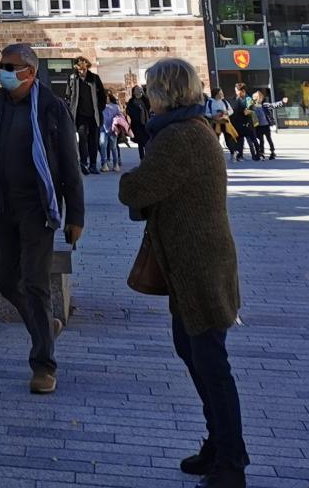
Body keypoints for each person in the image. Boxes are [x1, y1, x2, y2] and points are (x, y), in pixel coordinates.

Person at [119, 57, 248, 487]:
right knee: (195, 353)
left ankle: (230, 462)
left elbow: (136, 190)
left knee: (210, 363)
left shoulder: (178, 137)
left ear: (163, 92)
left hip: (199, 267)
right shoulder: (188, 130)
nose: (145, 95)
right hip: (193, 264)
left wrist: (132, 180)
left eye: (150, 88)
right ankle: (219, 444)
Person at [0, 44, 84, 395]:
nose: (3, 72)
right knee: (7, 281)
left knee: (37, 282)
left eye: (11, 66)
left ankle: (43, 364)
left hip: (37, 208)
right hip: (1, 207)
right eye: (0, 67)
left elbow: (70, 167)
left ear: (31, 72)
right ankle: (44, 327)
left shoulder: (52, 109)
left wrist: (76, 216)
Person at [66, 55, 107, 174]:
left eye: (84, 69)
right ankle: (84, 163)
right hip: (80, 115)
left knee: (93, 140)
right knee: (82, 139)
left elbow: (102, 96)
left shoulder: (94, 78)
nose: (82, 72)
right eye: (80, 69)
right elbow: (68, 96)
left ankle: (93, 164)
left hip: (93, 115)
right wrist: (70, 109)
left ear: (87, 68)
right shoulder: (73, 79)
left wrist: (99, 108)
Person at [101, 93, 127, 171]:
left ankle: (116, 164)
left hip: (113, 130)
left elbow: (120, 116)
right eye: (104, 97)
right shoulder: (100, 106)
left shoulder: (115, 107)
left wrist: (117, 122)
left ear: (110, 98)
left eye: (107, 97)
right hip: (103, 129)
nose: (106, 99)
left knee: (113, 147)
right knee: (103, 146)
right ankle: (104, 164)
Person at [249, 90, 278, 160]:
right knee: (261, 140)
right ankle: (261, 152)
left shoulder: (264, 106)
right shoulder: (253, 107)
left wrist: (272, 122)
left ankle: (272, 151)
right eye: (258, 97)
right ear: (255, 98)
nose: (260, 99)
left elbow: (272, 106)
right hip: (258, 126)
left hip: (266, 125)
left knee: (269, 139)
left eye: (261, 97)